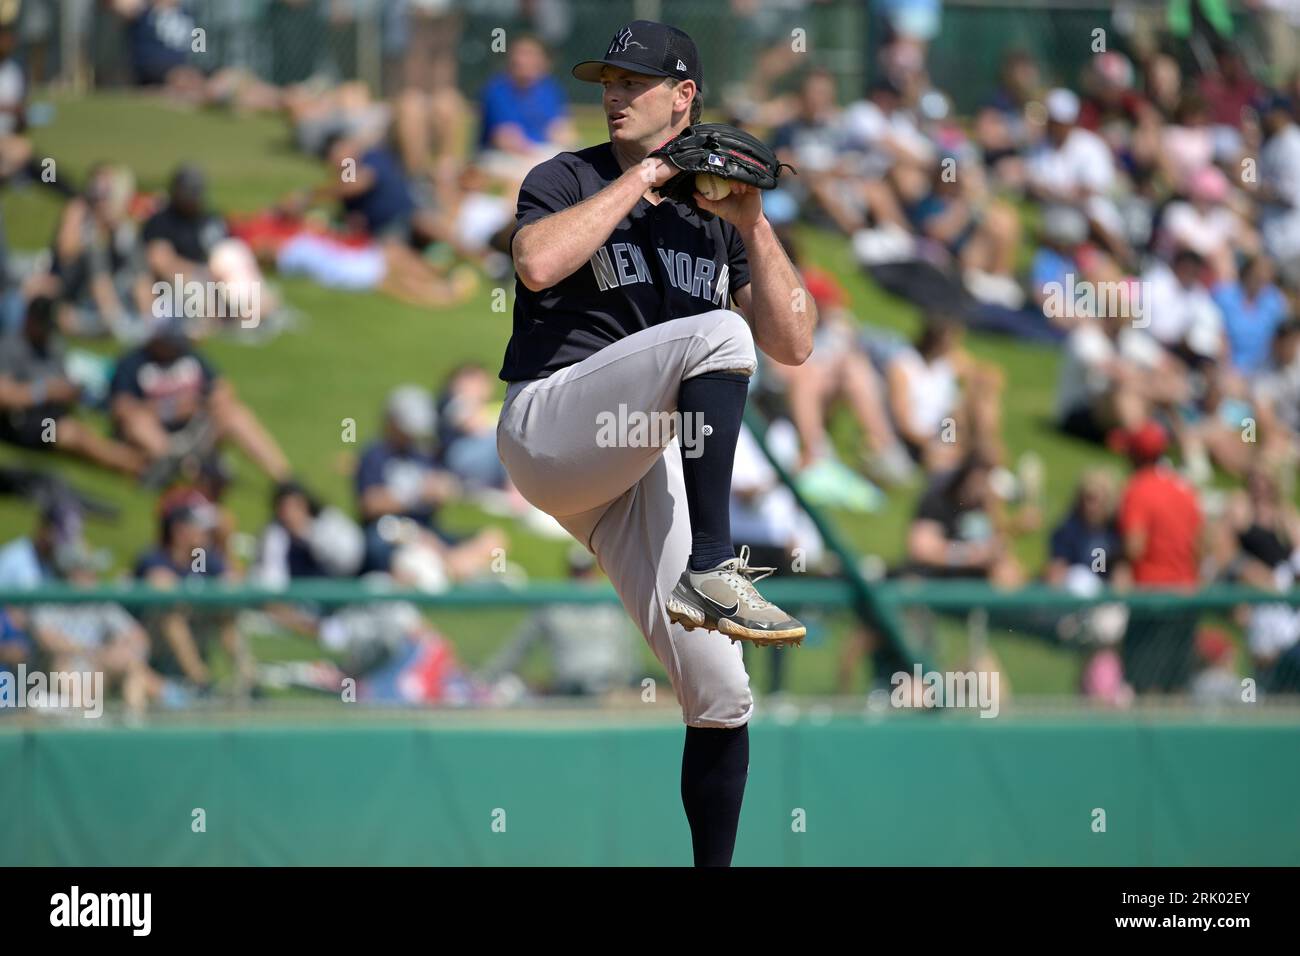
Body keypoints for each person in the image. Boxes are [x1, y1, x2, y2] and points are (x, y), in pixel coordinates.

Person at [495, 21, 814, 867]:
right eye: (607, 78)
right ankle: (713, 567)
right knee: (718, 336)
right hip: (553, 424)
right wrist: (646, 176)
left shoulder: (714, 221)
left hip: (634, 469)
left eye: (635, 81)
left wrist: (752, 223)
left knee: (721, 691)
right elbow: (535, 262)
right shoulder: (568, 175)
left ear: (684, 97)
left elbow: (796, 342)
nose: (613, 92)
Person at [109, 319, 290, 482]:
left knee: (234, 413)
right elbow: (122, 409)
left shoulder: (189, 355)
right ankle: (174, 467)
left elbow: (223, 388)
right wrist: (172, 408)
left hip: (195, 429)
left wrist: (205, 403)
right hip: (158, 435)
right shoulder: (132, 363)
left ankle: (286, 479)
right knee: (138, 423)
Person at [0, 296, 145, 476]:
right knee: (73, 435)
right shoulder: (9, 346)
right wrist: (44, 392)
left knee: (83, 434)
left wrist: (69, 391)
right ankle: (134, 466)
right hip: (21, 422)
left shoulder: (53, 346)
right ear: (29, 319)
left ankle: (136, 461)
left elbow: (63, 382)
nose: (46, 331)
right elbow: (4, 396)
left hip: (55, 414)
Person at [1113, 421, 1203, 693]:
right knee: (1176, 684)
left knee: (1145, 683)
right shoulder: (1184, 488)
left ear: (1136, 456)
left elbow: (1134, 547)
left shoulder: (1138, 488)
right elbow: (1201, 545)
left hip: (1151, 598)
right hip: (1187, 596)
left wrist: (1110, 554)